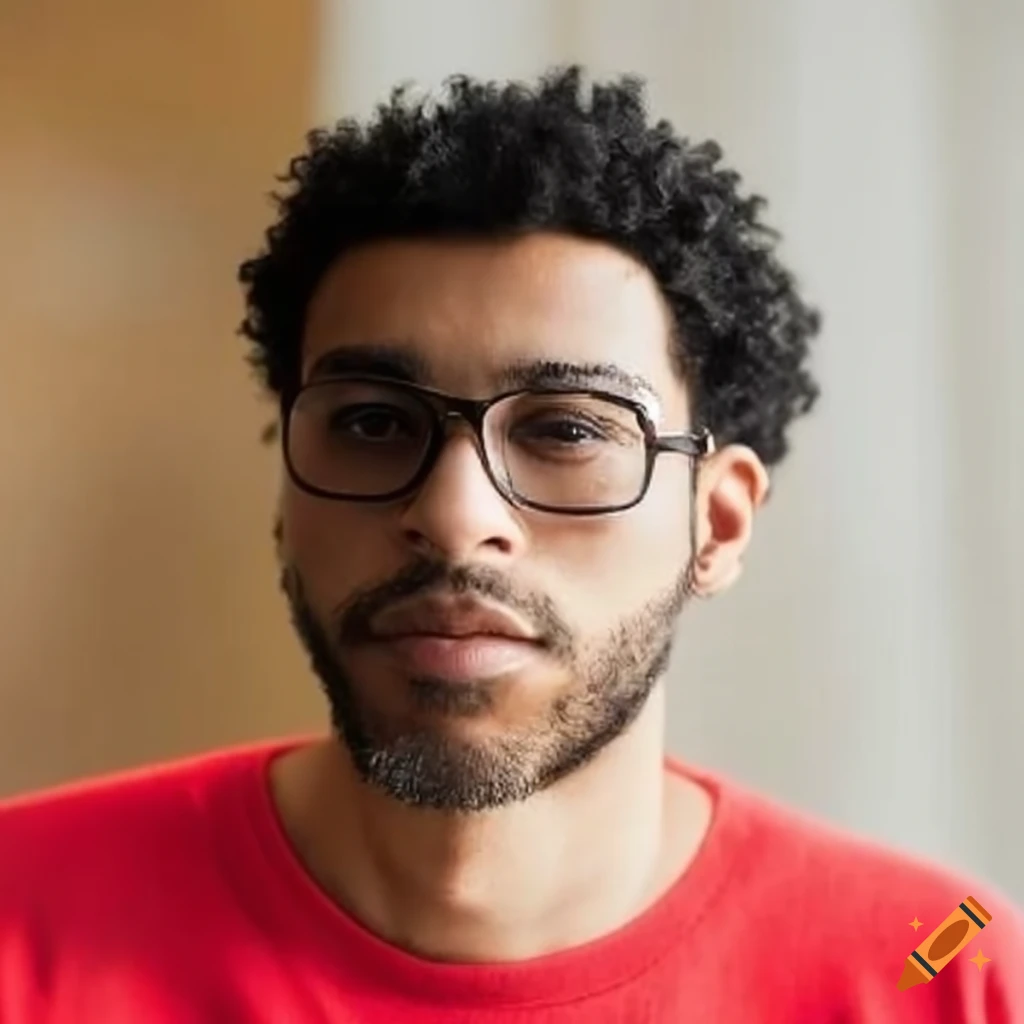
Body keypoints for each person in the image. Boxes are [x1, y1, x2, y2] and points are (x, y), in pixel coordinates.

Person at [1, 67, 1021, 1023]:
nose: (452, 516)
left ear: (716, 521)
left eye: (567, 430)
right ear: (283, 489)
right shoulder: (21, 918)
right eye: (370, 422)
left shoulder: (939, 966)